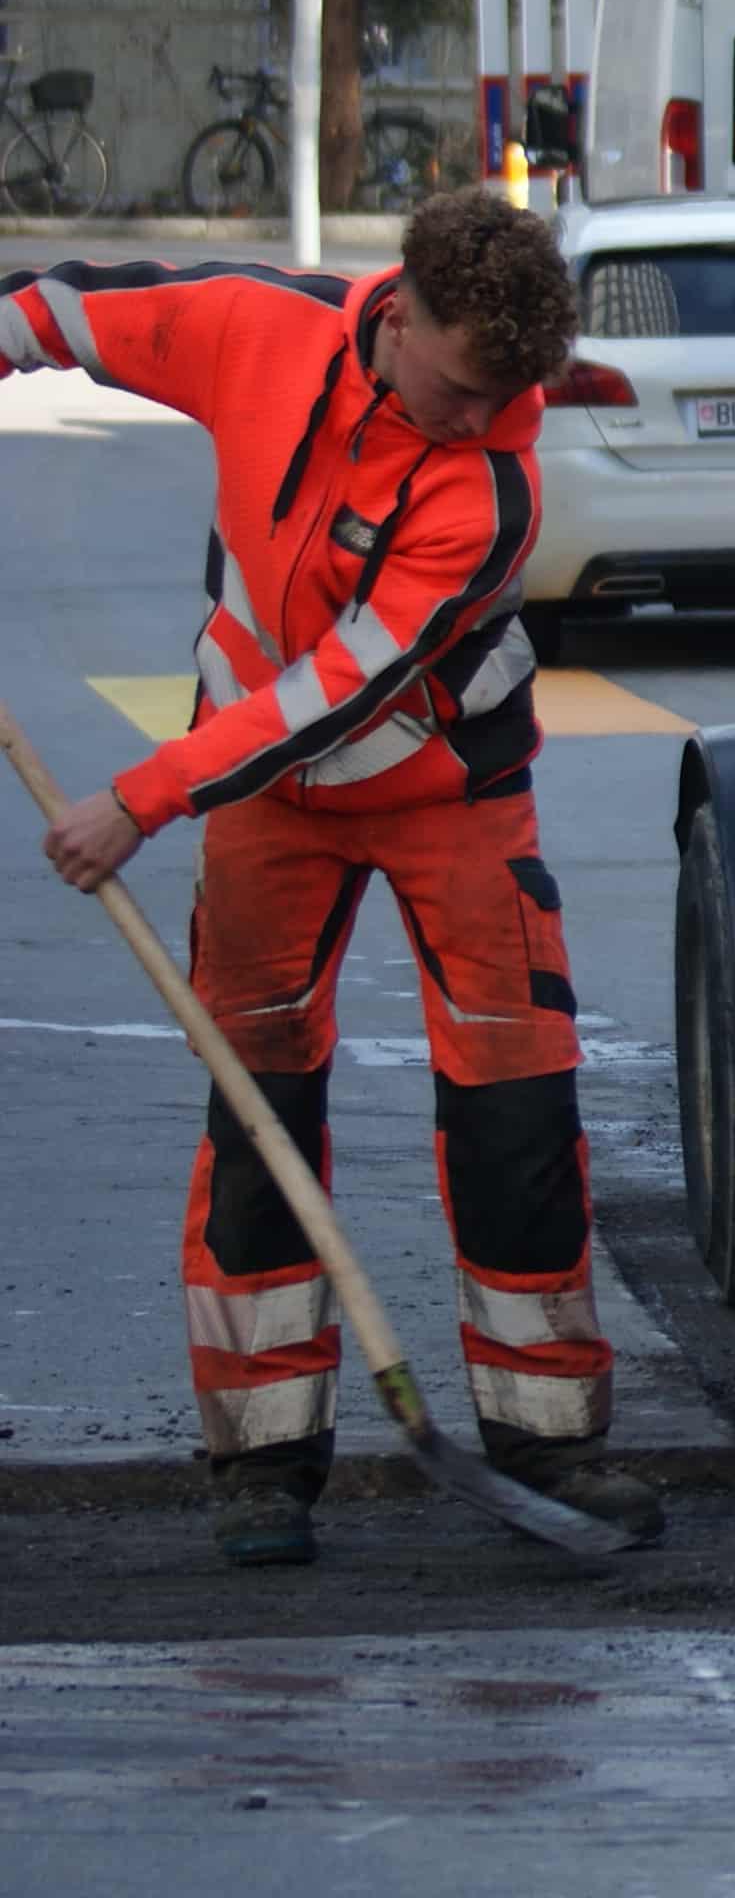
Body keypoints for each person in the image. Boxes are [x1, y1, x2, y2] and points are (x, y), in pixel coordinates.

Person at [9, 195, 661, 1565]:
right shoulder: (257, 328)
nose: (473, 417)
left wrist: (138, 797)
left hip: (444, 791)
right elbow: (65, 311)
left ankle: (547, 1440)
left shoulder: (490, 487)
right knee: (255, 1102)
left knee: (514, 1099)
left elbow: (337, 689)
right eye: (459, 384)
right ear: (403, 311)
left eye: (502, 397)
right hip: (259, 804)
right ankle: (260, 1463)